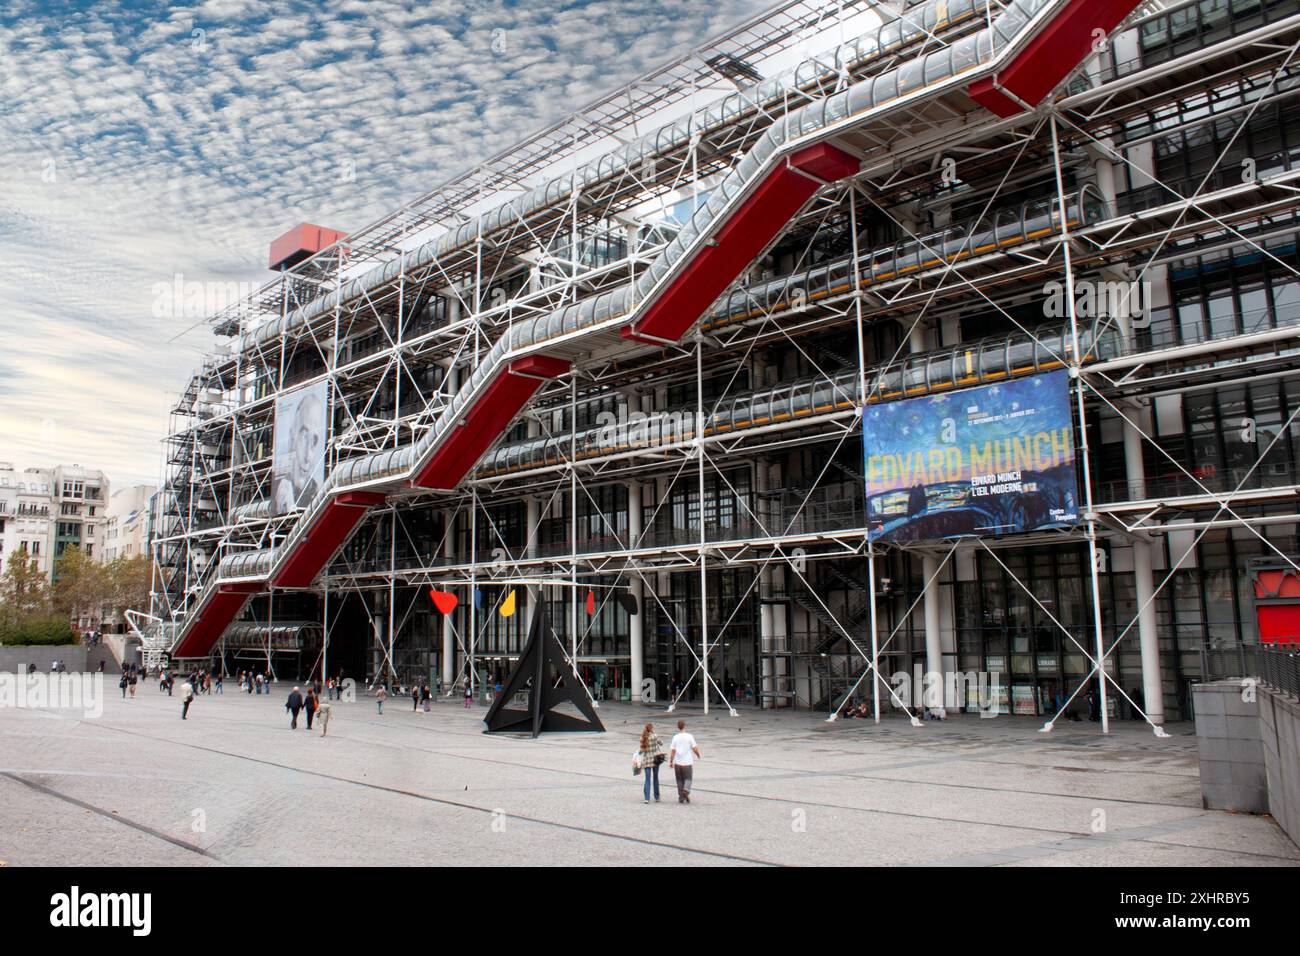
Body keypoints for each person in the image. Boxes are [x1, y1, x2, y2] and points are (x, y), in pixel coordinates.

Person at [668, 719, 700, 804]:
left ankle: (681, 797)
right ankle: (686, 790)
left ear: (678, 727)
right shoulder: (689, 736)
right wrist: (698, 754)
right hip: (687, 762)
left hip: (678, 763)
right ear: (684, 726)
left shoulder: (675, 737)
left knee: (679, 780)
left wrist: (671, 761)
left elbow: (673, 751)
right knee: (688, 778)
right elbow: (694, 748)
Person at [637, 723, 664, 804]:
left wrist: (638, 753)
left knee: (647, 779)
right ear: (651, 728)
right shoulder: (655, 736)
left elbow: (641, 751)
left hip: (647, 761)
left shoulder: (643, 737)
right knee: (655, 778)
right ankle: (657, 797)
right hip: (655, 759)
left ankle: (646, 798)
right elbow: (661, 743)